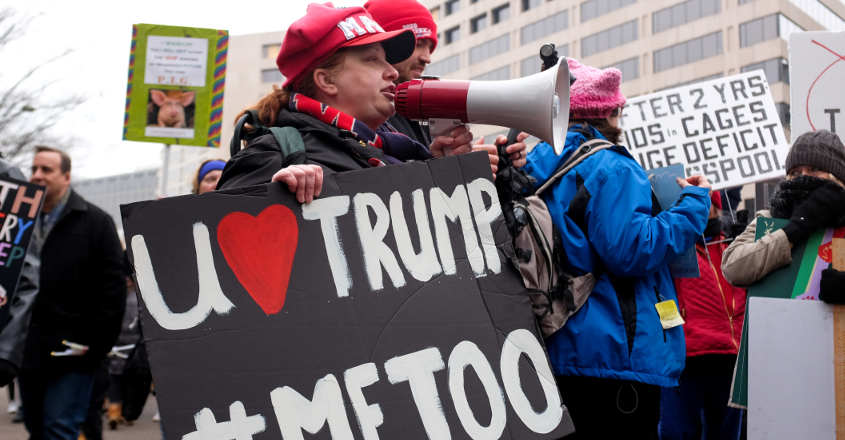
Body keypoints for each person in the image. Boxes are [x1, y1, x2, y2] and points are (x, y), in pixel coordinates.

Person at [522, 59, 711, 438]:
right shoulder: (612, 166)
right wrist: (694, 203)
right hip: (612, 356)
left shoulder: (533, 161)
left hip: (553, 343)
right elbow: (632, 250)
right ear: (608, 111)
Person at [217, 3, 519, 195]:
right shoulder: (274, 156)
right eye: (372, 60)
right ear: (326, 80)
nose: (391, 72)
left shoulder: (387, 151)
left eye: (388, 61)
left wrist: (441, 173)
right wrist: (269, 195)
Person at [17, 146, 126, 440]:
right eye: (34, 169)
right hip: (28, 350)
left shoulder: (96, 223)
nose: (37, 175)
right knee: (34, 425)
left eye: (46, 170)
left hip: (74, 350)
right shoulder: (19, 221)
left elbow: (113, 291)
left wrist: (95, 345)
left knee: (60, 427)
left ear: (66, 176)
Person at [364, 0, 528, 178]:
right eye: (418, 44)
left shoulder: (419, 110)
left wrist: (498, 165)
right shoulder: (366, 114)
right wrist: (445, 168)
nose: (427, 58)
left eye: (430, 47)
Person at [659, 191, 747, 440]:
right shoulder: (670, 244)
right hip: (684, 358)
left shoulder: (734, 244)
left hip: (729, 356)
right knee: (677, 433)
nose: (698, 206)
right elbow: (660, 294)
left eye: (706, 201)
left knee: (725, 433)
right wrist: (672, 331)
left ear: (717, 208)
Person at [721, 129, 845, 304]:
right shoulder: (770, 218)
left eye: (815, 169)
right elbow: (732, 268)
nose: (804, 177)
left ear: (838, 176)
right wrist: (792, 231)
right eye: (795, 172)